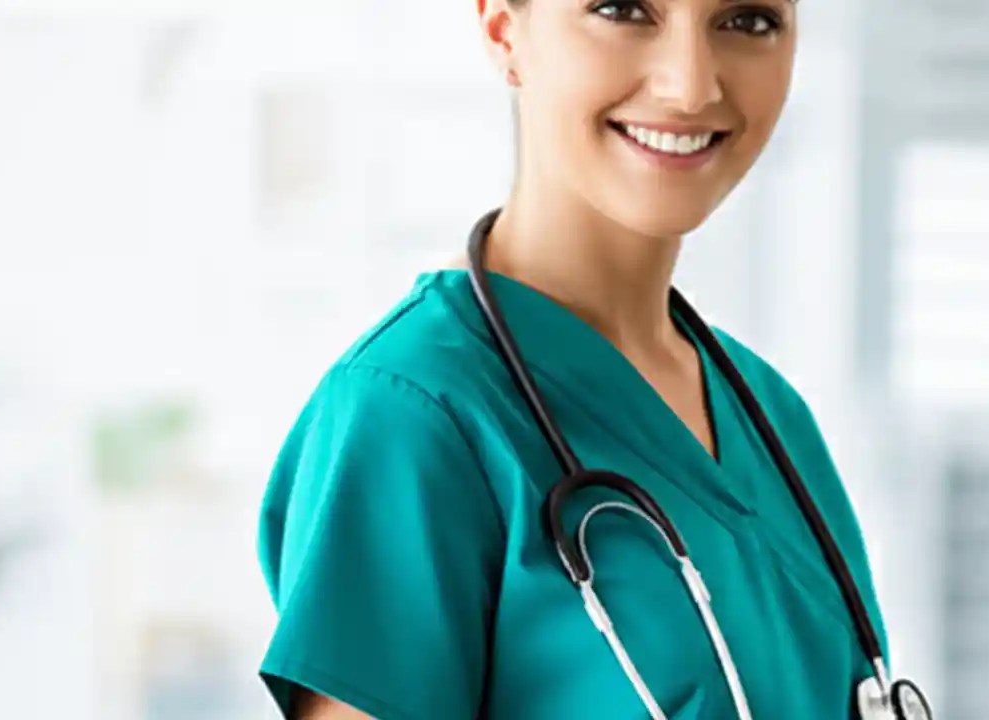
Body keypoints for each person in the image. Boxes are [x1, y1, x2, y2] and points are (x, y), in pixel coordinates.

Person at [256, 0, 892, 717]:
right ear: (503, 30)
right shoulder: (412, 413)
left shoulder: (771, 415)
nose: (692, 85)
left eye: (747, 21)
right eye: (622, 10)